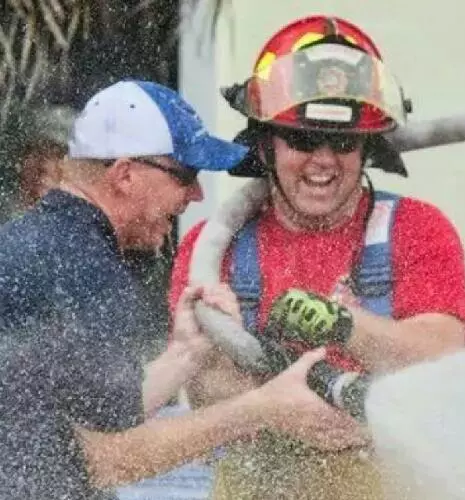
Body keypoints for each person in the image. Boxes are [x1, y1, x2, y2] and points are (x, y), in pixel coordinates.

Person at [169, 15, 465, 500]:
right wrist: (279, 408)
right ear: (266, 141)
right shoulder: (214, 247)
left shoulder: (416, 230)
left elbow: (440, 355)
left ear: (368, 147)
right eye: (304, 139)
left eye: (343, 141)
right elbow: (203, 389)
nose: (324, 160)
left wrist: (343, 326)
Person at [0, 79, 346, 500]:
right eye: (185, 175)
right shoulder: (83, 271)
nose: (196, 194)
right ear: (125, 174)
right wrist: (265, 408)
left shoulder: (42, 244)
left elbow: (99, 418)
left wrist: (187, 353)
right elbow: (109, 460)